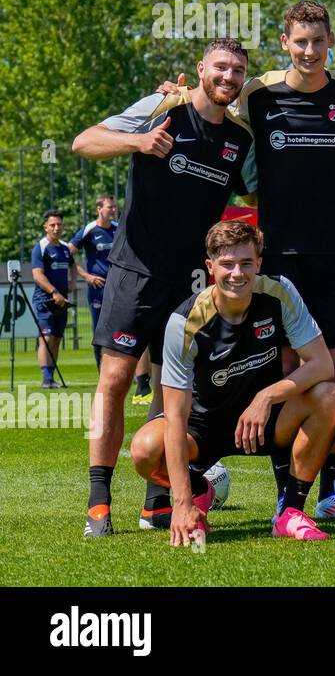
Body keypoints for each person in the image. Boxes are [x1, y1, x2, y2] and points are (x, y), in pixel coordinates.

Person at [72, 38, 256, 537]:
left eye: (237, 71)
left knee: (171, 388)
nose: (228, 77)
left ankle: (157, 500)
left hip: (192, 282)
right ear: (202, 69)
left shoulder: (240, 138)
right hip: (136, 272)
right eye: (221, 67)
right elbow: (84, 141)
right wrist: (137, 141)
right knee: (114, 381)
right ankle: (98, 502)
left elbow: (260, 187)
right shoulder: (161, 107)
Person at [229, 0, 335, 522]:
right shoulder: (260, 95)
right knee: (289, 369)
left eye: (318, 41)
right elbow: (213, 103)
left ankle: (330, 495)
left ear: (330, 39)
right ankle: (285, 494)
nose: (310, 51)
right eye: (301, 41)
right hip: (281, 260)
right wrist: (172, 94)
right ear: (284, 42)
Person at [129, 221, 335, 544]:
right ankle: (200, 491)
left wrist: (266, 397)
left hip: (265, 422)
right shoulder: (184, 322)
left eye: (246, 263)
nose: (237, 274)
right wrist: (182, 504)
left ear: (259, 263)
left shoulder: (279, 292)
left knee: (330, 396)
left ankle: (290, 512)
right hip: (203, 429)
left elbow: (322, 364)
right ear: (210, 266)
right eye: (227, 264)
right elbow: (175, 416)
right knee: (145, 449)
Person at [68, 195, 120, 376]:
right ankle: (102, 372)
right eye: (109, 207)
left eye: (114, 207)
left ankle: (122, 370)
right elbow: (68, 253)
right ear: (99, 209)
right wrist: (86, 276)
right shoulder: (89, 230)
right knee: (99, 329)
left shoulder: (118, 228)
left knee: (121, 328)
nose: (113, 210)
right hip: (98, 287)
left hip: (118, 286)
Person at [30, 210, 73, 389]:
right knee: (46, 338)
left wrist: (73, 280)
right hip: (44, 301)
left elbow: (74, 264)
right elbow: (37, 275)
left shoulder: (64, 248)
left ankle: (51, 377)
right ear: (45, 227)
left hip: (61, 301)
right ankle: (46, 378)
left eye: (59, 225)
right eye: (52, 225)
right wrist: (54, 292)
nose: (56, 228)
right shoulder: (40, 247)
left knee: (56, 339)